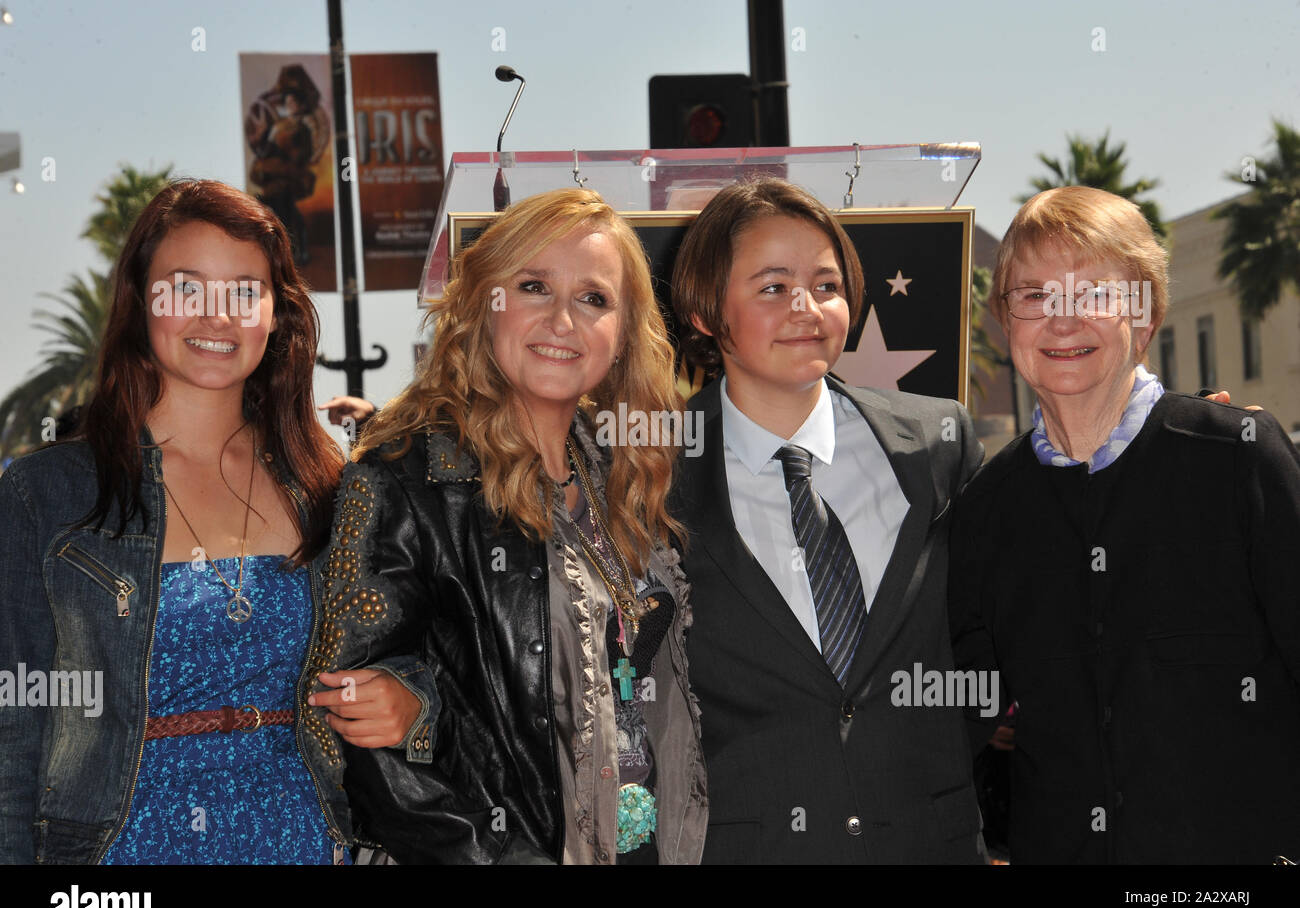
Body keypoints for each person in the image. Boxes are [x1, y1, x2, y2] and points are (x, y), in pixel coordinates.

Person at [309, 188, 707, 864]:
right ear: (482, 305)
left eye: (593, 299)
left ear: (623, 332)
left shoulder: (631, 473)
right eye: (533, 286)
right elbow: (353, 721)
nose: (562, 319)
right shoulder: (402, 477)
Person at [0, 179, 354, 864]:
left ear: (277, 315)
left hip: (305, 840)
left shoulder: (325, 484)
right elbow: (12, 731)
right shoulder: (45, 494)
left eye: (245, 291)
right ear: (140, 303)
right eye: (186, 288)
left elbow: (403, 654)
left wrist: (403, 694)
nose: (217, 316)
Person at [948, 185, 1300, 864]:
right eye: (1035, 296)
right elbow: (951, 723)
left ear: (1147, 314)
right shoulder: (987, 511)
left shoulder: (1240, 459)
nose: (1062, 320)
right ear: (1004, 320)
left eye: (1095, 294)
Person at [670, 177, 986, 863]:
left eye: (826, 284)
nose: (806, 308)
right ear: (704, 309)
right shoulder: (648, 475)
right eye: (773, 286)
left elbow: (989, 634)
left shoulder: (940, 442)